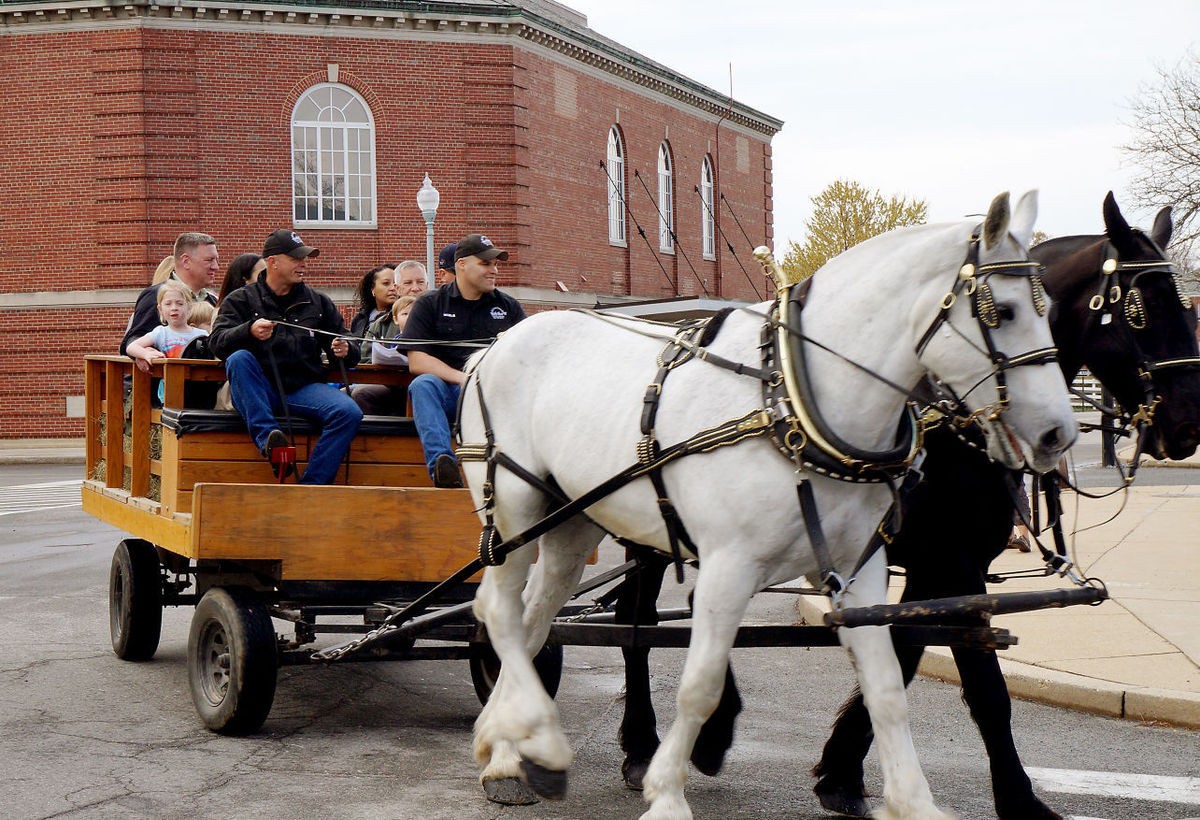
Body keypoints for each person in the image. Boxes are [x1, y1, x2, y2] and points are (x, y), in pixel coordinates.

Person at [209, 229, 362, 485]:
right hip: (257, 390)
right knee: (239, 359)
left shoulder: (318, 302)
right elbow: (217, 343)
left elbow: (347, 342)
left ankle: (312, 486)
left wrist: (345, 350)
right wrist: (248, 331)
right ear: (272, 262)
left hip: (303, 388)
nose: (303, 264)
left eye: (304, 258)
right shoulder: (241, 299)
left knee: (349, 412)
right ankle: (272, 444)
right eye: (295, 258)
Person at [404, 234, 525, 487]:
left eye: (495, 264)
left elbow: (528, 359)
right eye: (485, 264)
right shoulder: (430, 303)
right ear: (461, 265)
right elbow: (417, 361)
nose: (493, 270)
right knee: (423, 385)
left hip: (495, 393)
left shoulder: (509, 307)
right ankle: (442, 467)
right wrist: (464, 379)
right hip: (451, 391)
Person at [120, 232, 219, 356]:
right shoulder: (155, 295)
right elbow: (132, 340)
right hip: (165, 374)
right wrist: (145, 353)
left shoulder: (213, 301)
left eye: (216, 260)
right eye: (209, 260)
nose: (216, 267)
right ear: (186, 261)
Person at [124, 281, 210, 405]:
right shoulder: (160, 332)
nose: (174, 308)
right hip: (169, 388)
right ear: (160, 309)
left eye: (179, 303)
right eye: (168, 304)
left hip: (197, 388)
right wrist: (146, 354)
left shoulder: (201, 334)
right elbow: (132, 346)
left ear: (189, 307)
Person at [351, 295, 417, 415]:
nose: (410, 318)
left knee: (361, 394)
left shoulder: (421, 337)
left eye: (413, 314)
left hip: (406, 385)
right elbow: (364, 357)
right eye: (405, 314)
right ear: (395, 319)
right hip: (387, 380)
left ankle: (372, 432)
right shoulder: (392, 336)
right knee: (344, 391)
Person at [349, 264, 397, 338]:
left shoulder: (404, 315)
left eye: (396, 283)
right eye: (386, 283)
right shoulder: (360, 319)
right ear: (372, 289)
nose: (393, 288)